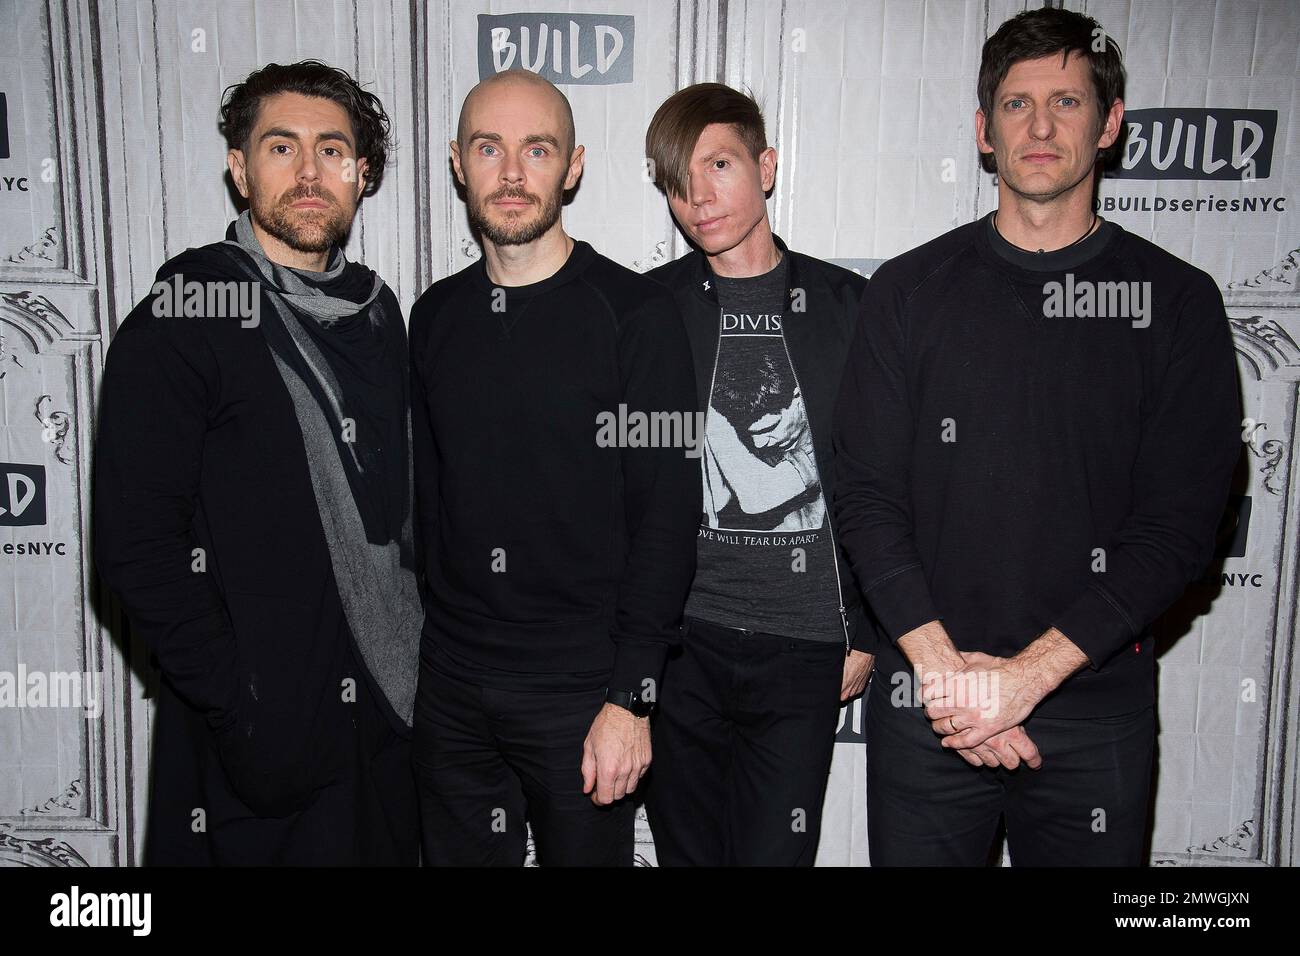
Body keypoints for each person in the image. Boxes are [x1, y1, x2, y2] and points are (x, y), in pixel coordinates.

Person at [833, 7, 1241, 866]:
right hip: (926, 710)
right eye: (1017, 105)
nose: (1042, 125)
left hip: (1092, 713)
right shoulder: (905, 294)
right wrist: (955, 685)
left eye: (1067, 101)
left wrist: (1022, 682)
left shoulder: (1177, 304)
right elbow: (866, 497)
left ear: (1112, 123)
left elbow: (1178, 531)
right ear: (984, 132)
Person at [94, 61, 420, 865]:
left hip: (386, 728)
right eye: (282, 148)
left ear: (362, 174)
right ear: (240, 169)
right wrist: (241, 708)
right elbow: (135, 545)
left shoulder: (382, 316)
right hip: (253, 756)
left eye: (333, 151)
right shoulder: (187, 313)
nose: (310, 173)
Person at [408, 69, 699, 866]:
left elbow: (668, 522)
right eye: (488, 148)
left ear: (571, 166)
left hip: (583, 691)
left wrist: (631, 697)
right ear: (458, 164)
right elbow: (429, 505)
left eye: (536, 149)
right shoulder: (433, 317)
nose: (511, 173)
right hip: (452, 683)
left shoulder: (636, 317)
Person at [642, 83, 877, 866]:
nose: (698, 196)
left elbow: (883, 479)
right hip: (683, 645)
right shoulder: (650, 311)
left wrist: (866, 629)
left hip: (805, 643)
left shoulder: (849, 307)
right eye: (678, 179)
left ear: (766, 166)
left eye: (719, 165)